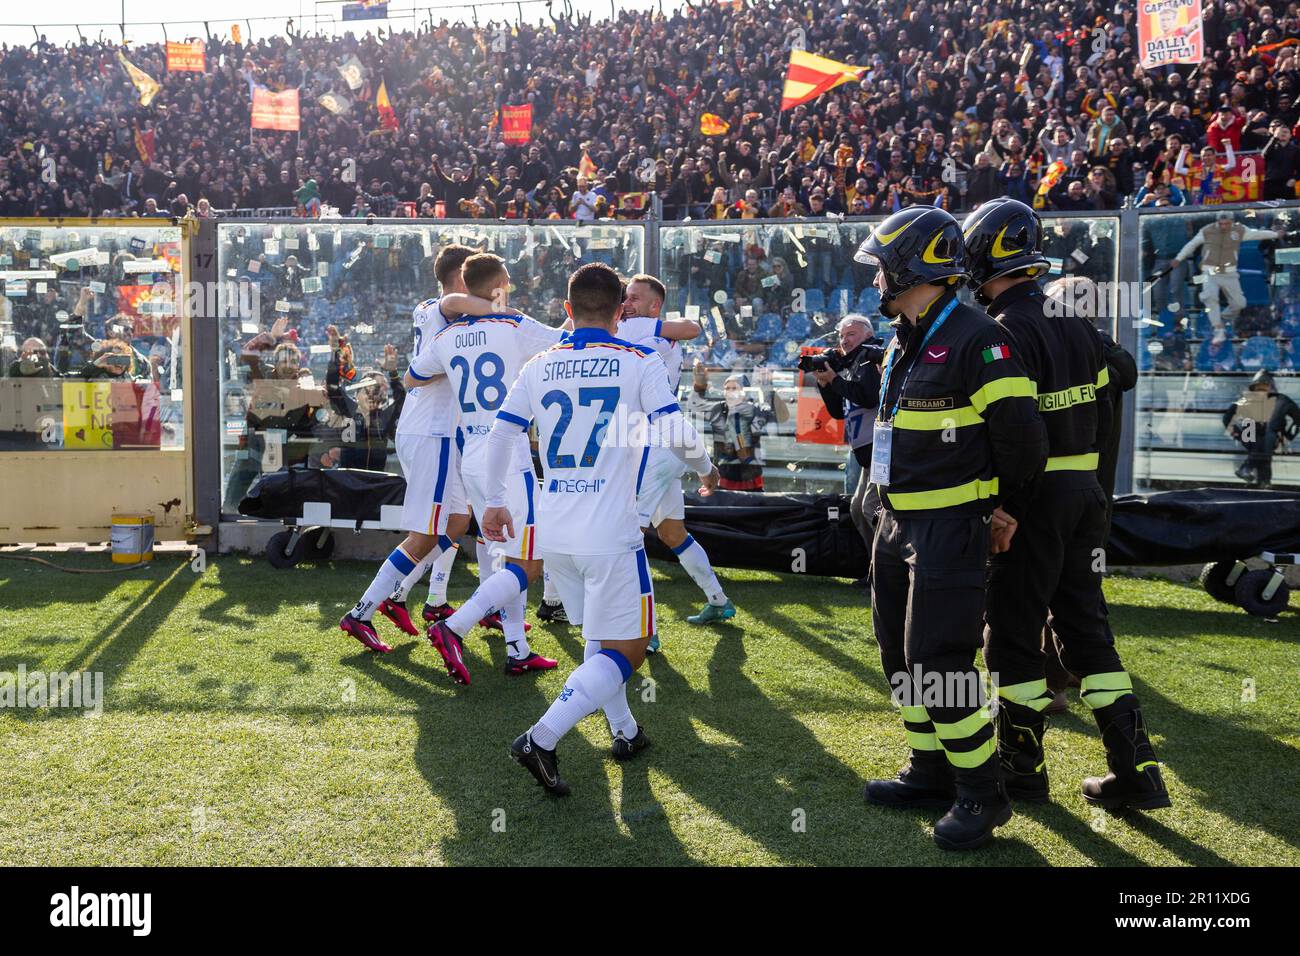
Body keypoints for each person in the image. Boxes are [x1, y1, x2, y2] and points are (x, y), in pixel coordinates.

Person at [964, 198, 1171, 814]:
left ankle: (1021, 772)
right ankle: (1138, 772)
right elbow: (1121, 379)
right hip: (1086, 495)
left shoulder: (1001, 330)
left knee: (1012, 635)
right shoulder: (1078, 321)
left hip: (1035, 498)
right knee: (1087, 634)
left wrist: (1004, 508)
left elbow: (1015, 433)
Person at [483, 263, 719, 795]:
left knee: (599, 638)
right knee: (627, 650)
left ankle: (626, 731)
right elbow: (675, 429)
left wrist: (496, 502)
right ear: (620, 312)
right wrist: (704, 467)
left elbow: (502, 434)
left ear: (567, 311)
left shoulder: (540, 365)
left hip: (554, 529)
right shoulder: (637, 360)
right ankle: (542, 737)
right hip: (611, 531)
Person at [854, 205, 1048, 851]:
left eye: (882, 268)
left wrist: (1001, 505)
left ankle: (982, 795)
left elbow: (1022, 439)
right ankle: (929, 770)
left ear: (915, 265)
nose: (876, 280)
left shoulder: (976, 336)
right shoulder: (908, 335)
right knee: (899, 657)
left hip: (949, 526)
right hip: (896, 522)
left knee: (941, 664)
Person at [337, 245, 496, 652]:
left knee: (459, 520)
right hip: (433, 432)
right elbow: (460, 302)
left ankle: (401, 591)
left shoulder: (434, 309)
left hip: (436, 431)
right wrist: (501, 304)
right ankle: (362, 611)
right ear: (460, 276)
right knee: (424, 535)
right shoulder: (448, 305)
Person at [419, 253, 570, 682]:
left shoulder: (447, 337)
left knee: (501, 553)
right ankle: (453, 626)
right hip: (508, 454)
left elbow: (413, 376)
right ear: (497, 286)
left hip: (473, 455)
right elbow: (563, 339)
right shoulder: (512, 324)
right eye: (508, 280)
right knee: (530, 561)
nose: (512, 285)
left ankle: (517, 648)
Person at [619, 273, 736, 644]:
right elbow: (690, 327)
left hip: (649, 447)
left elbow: (691, 326)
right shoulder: (643, 329)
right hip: (666, 445)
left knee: (626, 536)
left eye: (634, 297)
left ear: (654, 305)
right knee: (672, 533)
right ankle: (718, 599)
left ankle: (644, 628)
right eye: (624, 296)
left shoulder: (638, 328)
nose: (626, 302)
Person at [810, 314, 882, 559]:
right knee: (857, 508)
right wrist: (826, 384)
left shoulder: (870, 358)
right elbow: (838, 412)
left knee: (870, 508)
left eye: (851, 334)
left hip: (881, 447)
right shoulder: (851, 366)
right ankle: (875, 567)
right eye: (841, 336)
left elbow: (869, 396)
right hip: (865, 450)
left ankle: (888, 569)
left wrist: (835, 380)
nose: (845, 340)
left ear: (868, 335)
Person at [1171, 212, 1286, 342]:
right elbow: (1192, 244)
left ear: (1232, 221)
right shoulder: (1207, 230)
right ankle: (1218, 329)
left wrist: (1275, 234)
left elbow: (1257, 234)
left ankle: (1220, 319)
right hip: (1210, 271)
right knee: (1210, 297)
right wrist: (1179, 258)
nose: (1224, 226)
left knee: (1239, 303)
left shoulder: (1240, 230)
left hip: (1230, 273)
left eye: (1226, 223)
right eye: (1221, 224)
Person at [1223, 370, 1300, 488]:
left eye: (1264, 385)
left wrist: (1288, 437)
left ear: (1271, 387)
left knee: (1267, 438)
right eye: (1258, 386)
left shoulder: (1282, 400)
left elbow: (1298, 419)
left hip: (1273, 438)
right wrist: (1236, 433)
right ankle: (1263, 482)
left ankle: (1249, 472)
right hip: (1251, 436)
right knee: (1260, 440)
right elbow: (1228, 416)